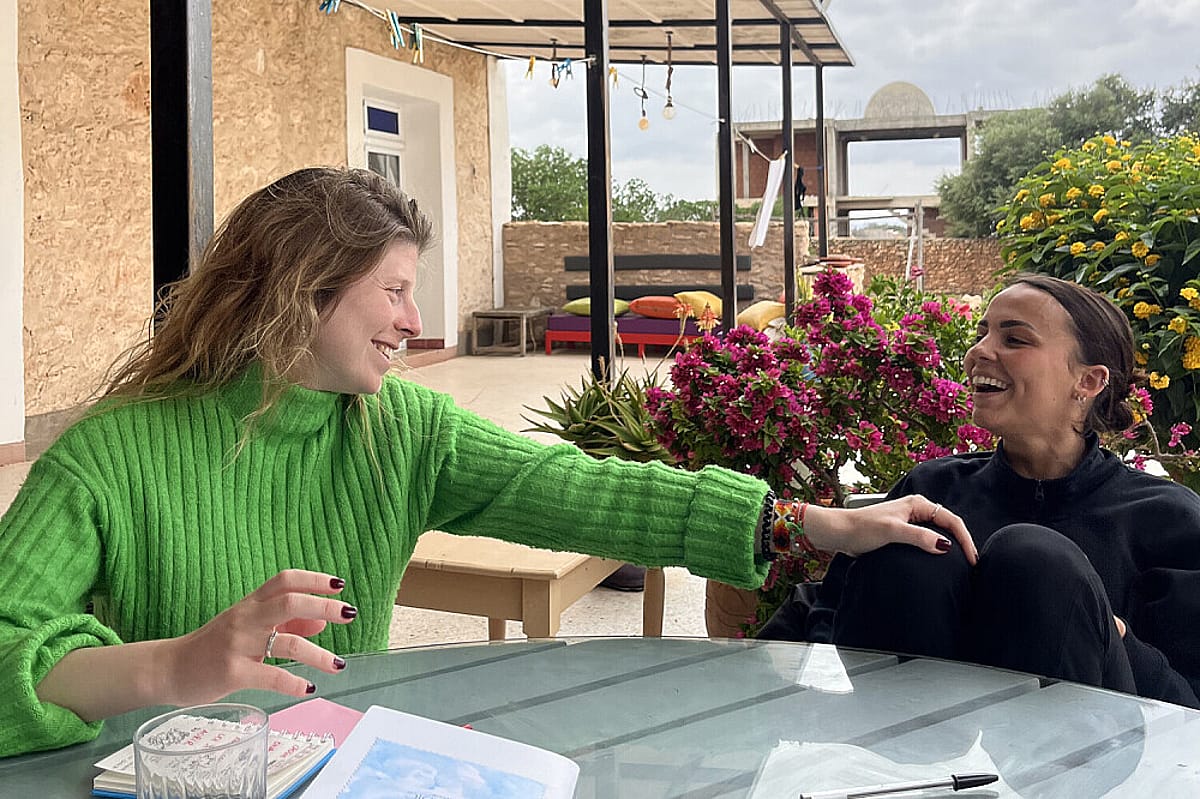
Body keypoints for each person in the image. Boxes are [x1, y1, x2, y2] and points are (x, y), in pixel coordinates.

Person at [0, 167, 973, 757]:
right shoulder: (110, 455)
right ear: (303, 291)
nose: (415, 324)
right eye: (392, 292)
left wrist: (806, 522)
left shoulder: (403, 433)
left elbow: (587, 489)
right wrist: (178, 665)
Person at [806, 274, 1200, 709]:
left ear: (1088, 382)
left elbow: (1188, 704)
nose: (979, 352)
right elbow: (821, 624)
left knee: (1033, 558)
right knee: (913, 551)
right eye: (982, 334)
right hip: (908, 765)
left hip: (1101, 767)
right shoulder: (930, 493)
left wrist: (1107, 631)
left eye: (1014, 340)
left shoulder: (1169, 520)